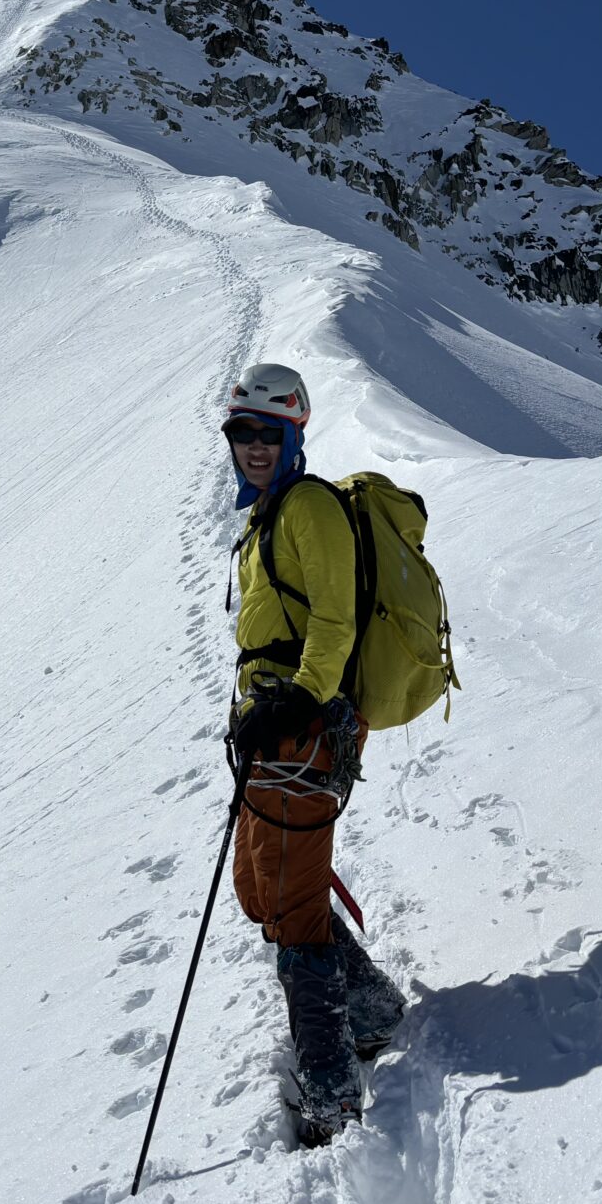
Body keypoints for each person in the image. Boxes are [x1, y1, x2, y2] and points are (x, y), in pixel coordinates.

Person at [221, 361, 406, 1146]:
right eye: (242, 432)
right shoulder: (267, 515)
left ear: (294, 433)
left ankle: (330, 1090)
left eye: (268, 432)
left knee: (291, 904)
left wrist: (300, 697)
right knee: (259, 888)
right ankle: (371, 1007)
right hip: (271, 726)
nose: (254, 445)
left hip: (306, 725)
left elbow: (336, 620)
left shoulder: (310, 507)